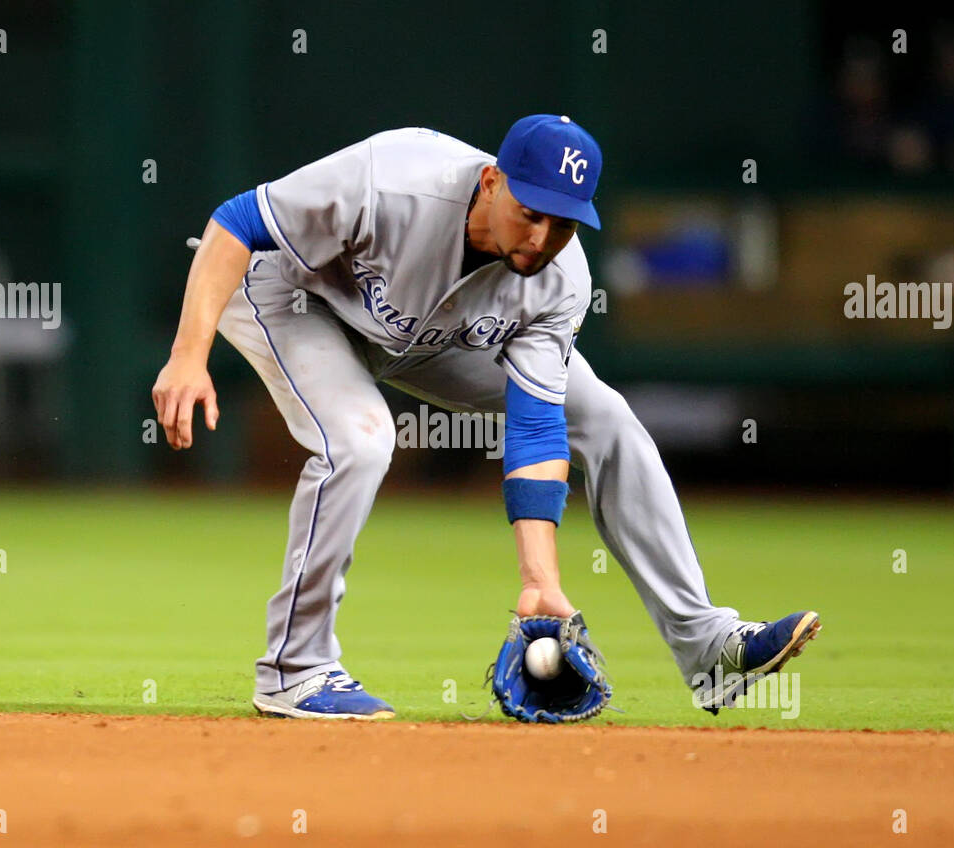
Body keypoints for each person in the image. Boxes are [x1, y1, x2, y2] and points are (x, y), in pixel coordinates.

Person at [151, 115, 819, 720]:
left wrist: (541, 581)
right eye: (531, 213)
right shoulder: (394, 180)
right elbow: (236, 221)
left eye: (564, 223)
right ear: (492, 181)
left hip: (420, 333)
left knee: (604, 414)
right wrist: (189, 355)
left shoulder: (559, 280)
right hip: (290, 295)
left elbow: (535, 427)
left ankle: (705, 644)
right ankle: (295, 668)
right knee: (362, 439)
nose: (543, 237)